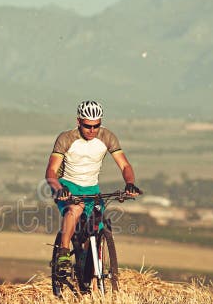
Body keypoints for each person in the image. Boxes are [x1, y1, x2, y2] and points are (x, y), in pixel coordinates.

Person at [44, 100, 141, 274]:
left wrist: (130, 183)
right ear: (78, 121)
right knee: (74, 209)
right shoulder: (66, 138)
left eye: (96, 126)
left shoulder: (107, 137)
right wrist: (59, 188)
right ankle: (64, 253)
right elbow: (51, 171)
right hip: (67, 184)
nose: (92, 130)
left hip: (91, 188)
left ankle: (88, 271)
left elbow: (125, 166)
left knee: (98, 225)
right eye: (88, 126)